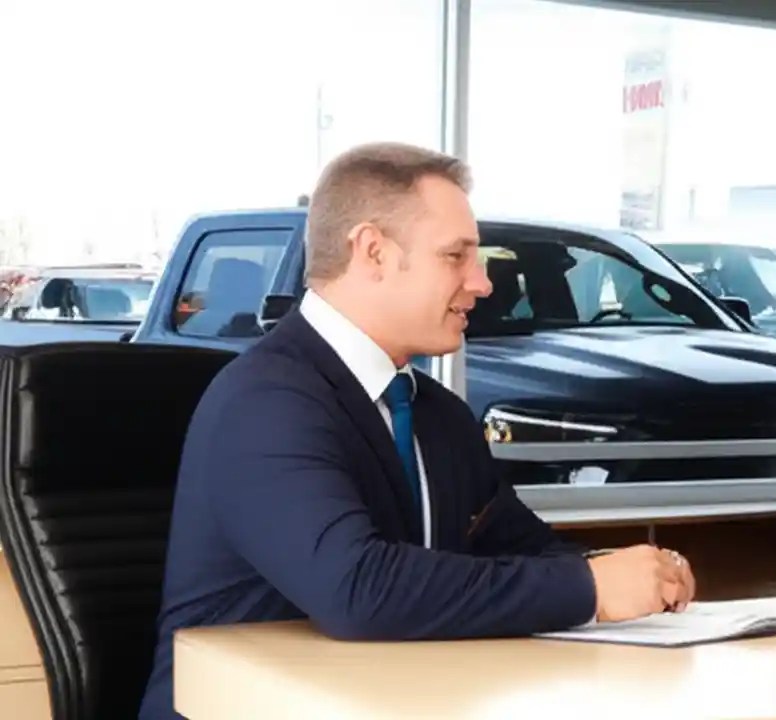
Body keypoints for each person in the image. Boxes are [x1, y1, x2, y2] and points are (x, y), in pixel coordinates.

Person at [138, 142, 695, 719]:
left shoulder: (435, 413)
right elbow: (358, 590)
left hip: (392, 699)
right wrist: (590, 590)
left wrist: (629, 573)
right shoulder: (264, 401)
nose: (482, 283)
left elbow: (521, 547)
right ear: (373, 252)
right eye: (456, 256)